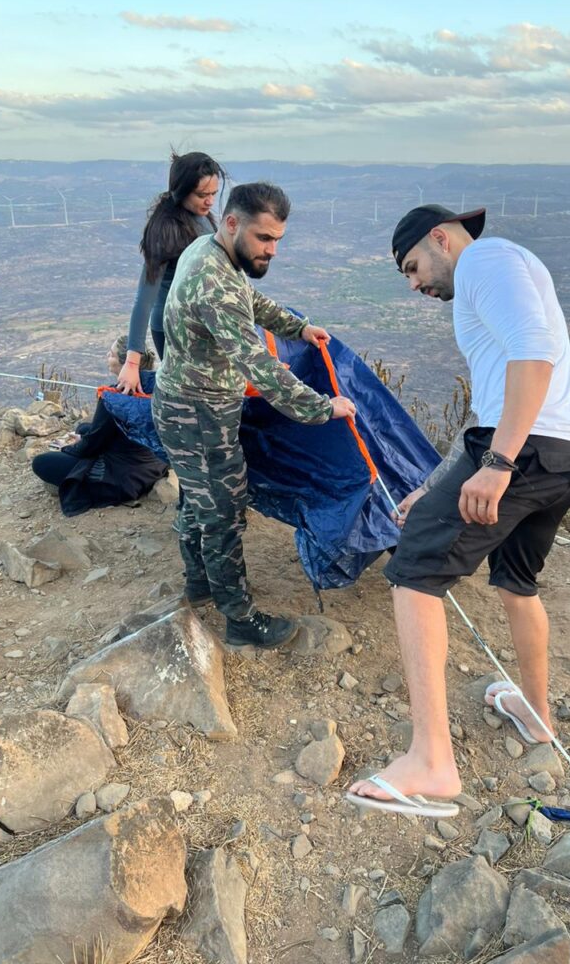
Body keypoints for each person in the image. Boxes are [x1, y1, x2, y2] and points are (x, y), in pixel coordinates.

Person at [347, 204, 570, 816]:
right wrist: (436, 484)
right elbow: (493, 396)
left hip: (524, 452)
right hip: (568, 452)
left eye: (412, 268)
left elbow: (533, 357)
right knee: (516, 581)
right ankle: (536, 717)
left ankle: (432, 762)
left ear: (441, 238)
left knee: (413, 574)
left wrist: (500, 463)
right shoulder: (505, 266)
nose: (414, 284)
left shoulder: (485, 259)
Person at [152, 181, 357, 650]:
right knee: (222, 509)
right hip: (198, 412)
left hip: (194, 405)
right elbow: (259, 367)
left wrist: (297, 327)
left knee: (199, 498)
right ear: (232, 223)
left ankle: (200, 581)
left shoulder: (212, 251)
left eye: (278, 240)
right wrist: (323, 408)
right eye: (264, 239)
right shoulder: (212, 280)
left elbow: (249, 303)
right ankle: (239, 618)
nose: (272, 250)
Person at [116, 151, 227, 395]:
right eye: (201, 195)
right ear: (181, 190)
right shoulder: (165, 229)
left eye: (213, 194)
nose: (209, 201)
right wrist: (132, 362)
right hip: (172, 328)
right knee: (186, 396)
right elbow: (144, 299)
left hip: (201, 324)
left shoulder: (202, 217)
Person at [31, 336, 167, 516]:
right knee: (83, 430)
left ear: (125, 363)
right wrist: (83, 437)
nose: (107, 356)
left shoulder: (114, 397)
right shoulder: (157, 387)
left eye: (110, 354)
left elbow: (90, 445)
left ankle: (98, 485)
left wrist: (68, 448)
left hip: (125, 477)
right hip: (152, 464)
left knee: (41, 462)